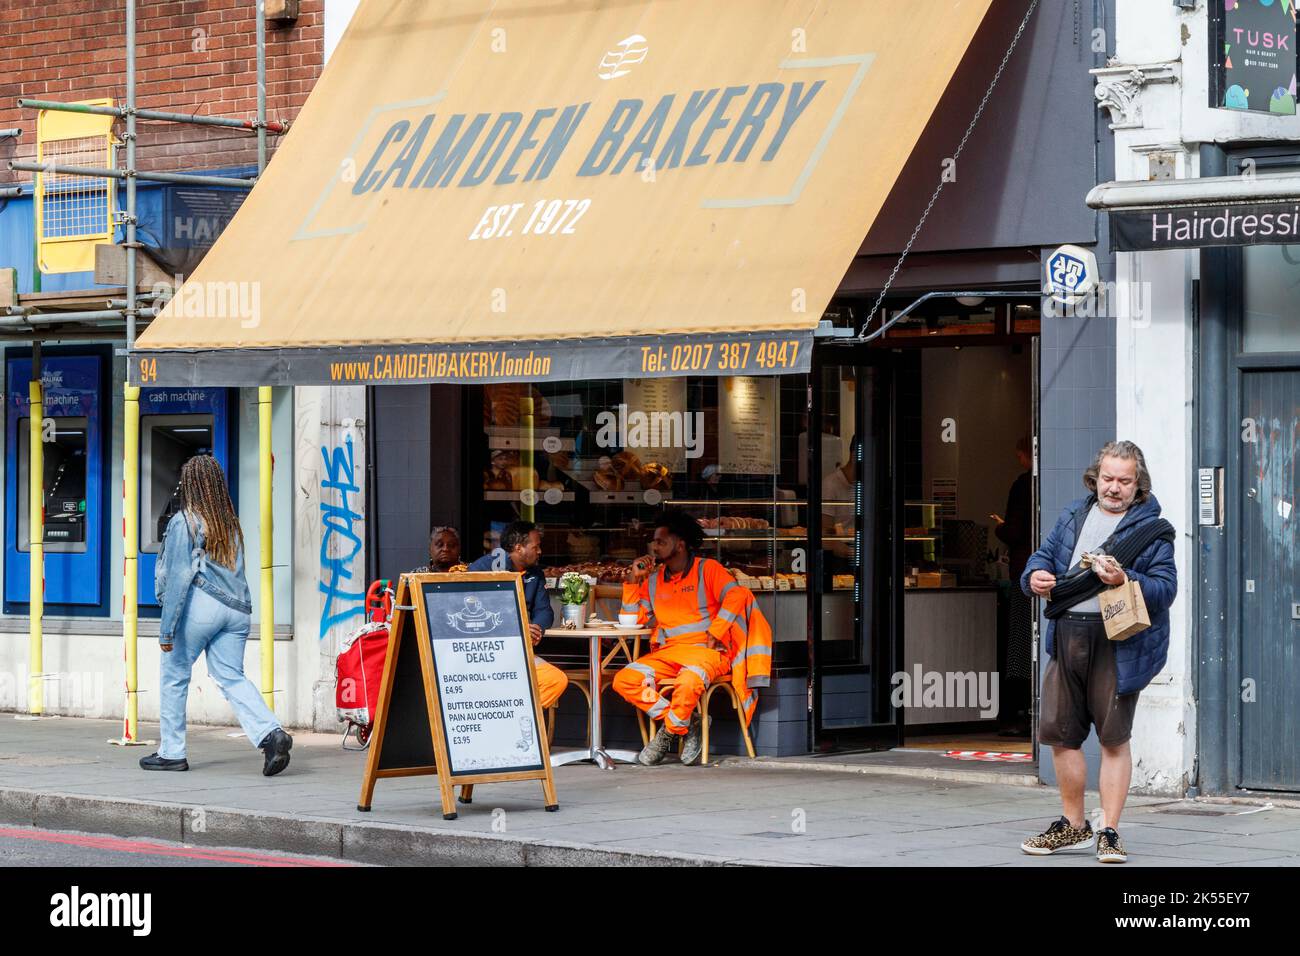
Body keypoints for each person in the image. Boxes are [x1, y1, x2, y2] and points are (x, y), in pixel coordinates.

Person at [1018, 441, 1176, 864]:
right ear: (1096, 476)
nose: (1114, 488)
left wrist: (1125, 577)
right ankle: (1073, 826)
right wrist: (1034, 577)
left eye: (1124, 481)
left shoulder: (1153, 529)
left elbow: (1166, 589)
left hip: (1118, 640)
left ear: (1138, 484)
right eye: (1108, 478)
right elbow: (1040, 558)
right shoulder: (1074, 515)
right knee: (1060, 735)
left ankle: (1110, 831)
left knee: (1113, 739)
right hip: (1068, 634)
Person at [140, 455, 294, 776]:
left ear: (191, 485)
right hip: (236, 611)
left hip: (202, 605)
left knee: (175, 675)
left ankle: (172, 752)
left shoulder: (185, 521)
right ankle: (270, 734)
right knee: (230, 676)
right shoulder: (230, 523)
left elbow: (179, 575)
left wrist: (167, 629)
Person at [612, 508, 770, 766]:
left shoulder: (707, 569)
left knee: (688, 682)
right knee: (624, 680)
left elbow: (737, 595)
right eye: (654, 541)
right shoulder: (652, 580)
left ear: (681, 545)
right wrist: (632, 581)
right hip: (667, 653)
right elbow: (633, 619)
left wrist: (715, 631)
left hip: (709, 654)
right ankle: (689, 722)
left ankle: (667, 734)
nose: (654, 547)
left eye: (661, 541)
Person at [466, 521, 568, 709]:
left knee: (556, 680)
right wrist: (518, 630)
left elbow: (544, 611)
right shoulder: (484, 568)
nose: (539, 552)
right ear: (518, 548)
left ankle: (516, 718)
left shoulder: (535, 573)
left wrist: (536, 630)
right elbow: (475, 616)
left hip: (517, 652)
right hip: (482, 654)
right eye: (535, 547)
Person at [993, 437, 1033, 735]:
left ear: (1023, 455)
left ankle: (1018, 712)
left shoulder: (1022, 486)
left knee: (1020, 640)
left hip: (1024, 574)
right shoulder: (1045, 482)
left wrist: (999, 526)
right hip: (1046, 575)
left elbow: (1016, 531)